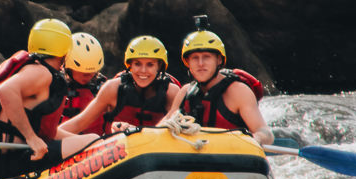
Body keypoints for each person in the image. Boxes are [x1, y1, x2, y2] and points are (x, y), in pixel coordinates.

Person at [0, 18, 100, 179]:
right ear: (65, 49)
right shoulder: (41, 72)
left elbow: (48, 132)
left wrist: (88, 140)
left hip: (3, 161)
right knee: (92, 142)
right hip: (6, 162)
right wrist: (31, 138)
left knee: (93, 140)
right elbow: (6, 90)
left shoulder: (35, 69)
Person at [168, 17, 274, 147]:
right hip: (194, 153)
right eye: (195, 58)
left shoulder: (238, 91)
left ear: (219, 60)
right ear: (188, 63)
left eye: (206, 57)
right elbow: (163, 125)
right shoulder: (185, 92)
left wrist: (256, 138)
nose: (200, 64)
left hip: (232, 155)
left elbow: (265, 132)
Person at [58, 35, 183, 136]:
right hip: (118, 154)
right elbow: (79, 122)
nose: (143, 70)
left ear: (159, 67)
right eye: (137, 64)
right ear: (130, 66)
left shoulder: (171, 92)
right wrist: (51, 138)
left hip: (156, 151)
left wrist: (136, 132)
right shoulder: (112, 88)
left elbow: (177, 127)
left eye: (150, 64)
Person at [59, 32, 107, 136]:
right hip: (63, 142)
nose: (89, 76)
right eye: (83, 73)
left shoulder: (103, 86)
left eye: (93, 72)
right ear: (68, 68)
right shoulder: (55, 85)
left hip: (97, 145)